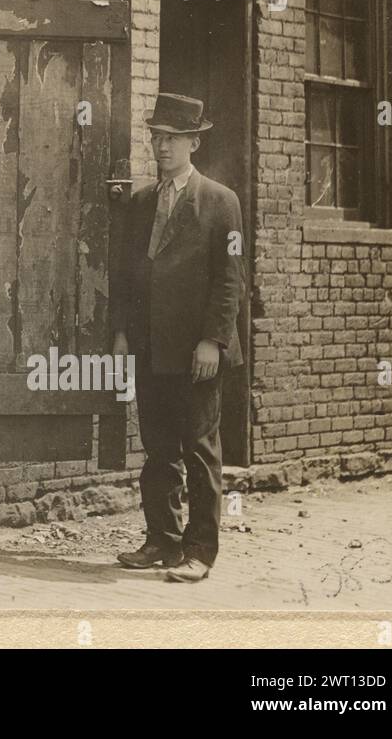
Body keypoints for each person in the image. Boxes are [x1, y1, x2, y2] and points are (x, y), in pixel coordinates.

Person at [112, 93, 244, 583]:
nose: (161, 147)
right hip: (150, 348)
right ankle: (161, 542)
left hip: (196, 352)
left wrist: (213, 340)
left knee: (200, 449)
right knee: (158, 448)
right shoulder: (143, 201)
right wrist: (124, 332)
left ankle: (200, 552)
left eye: (172, 139)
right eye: (156, 137)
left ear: (194, 142)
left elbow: (231, 279)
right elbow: (127, 274)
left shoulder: (220, 201)